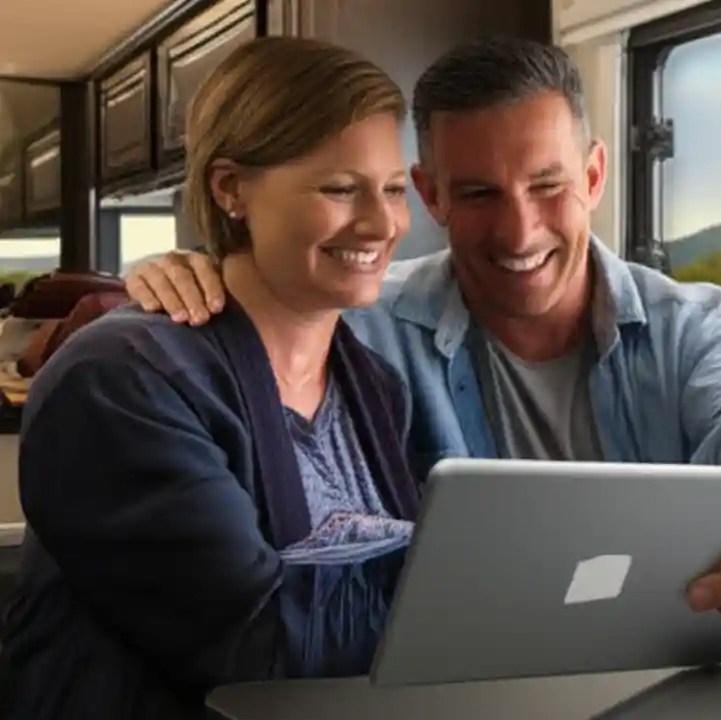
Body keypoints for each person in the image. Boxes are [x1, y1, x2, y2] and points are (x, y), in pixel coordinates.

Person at [124, 37, 721, 640]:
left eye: (547, 186)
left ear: (593, 176)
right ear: (431, 195)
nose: (520, 231)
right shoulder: (355, 321)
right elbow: (253, 307)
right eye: (478, 195)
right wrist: (188, 274)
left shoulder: (702, 323)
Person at [0, 37, 426, 719]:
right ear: (229, 188)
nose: (383, 222)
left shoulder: (375, 385)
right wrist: (484, 606)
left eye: (395, 190)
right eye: (341, 189)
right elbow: (254, 647)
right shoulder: (121, 383)